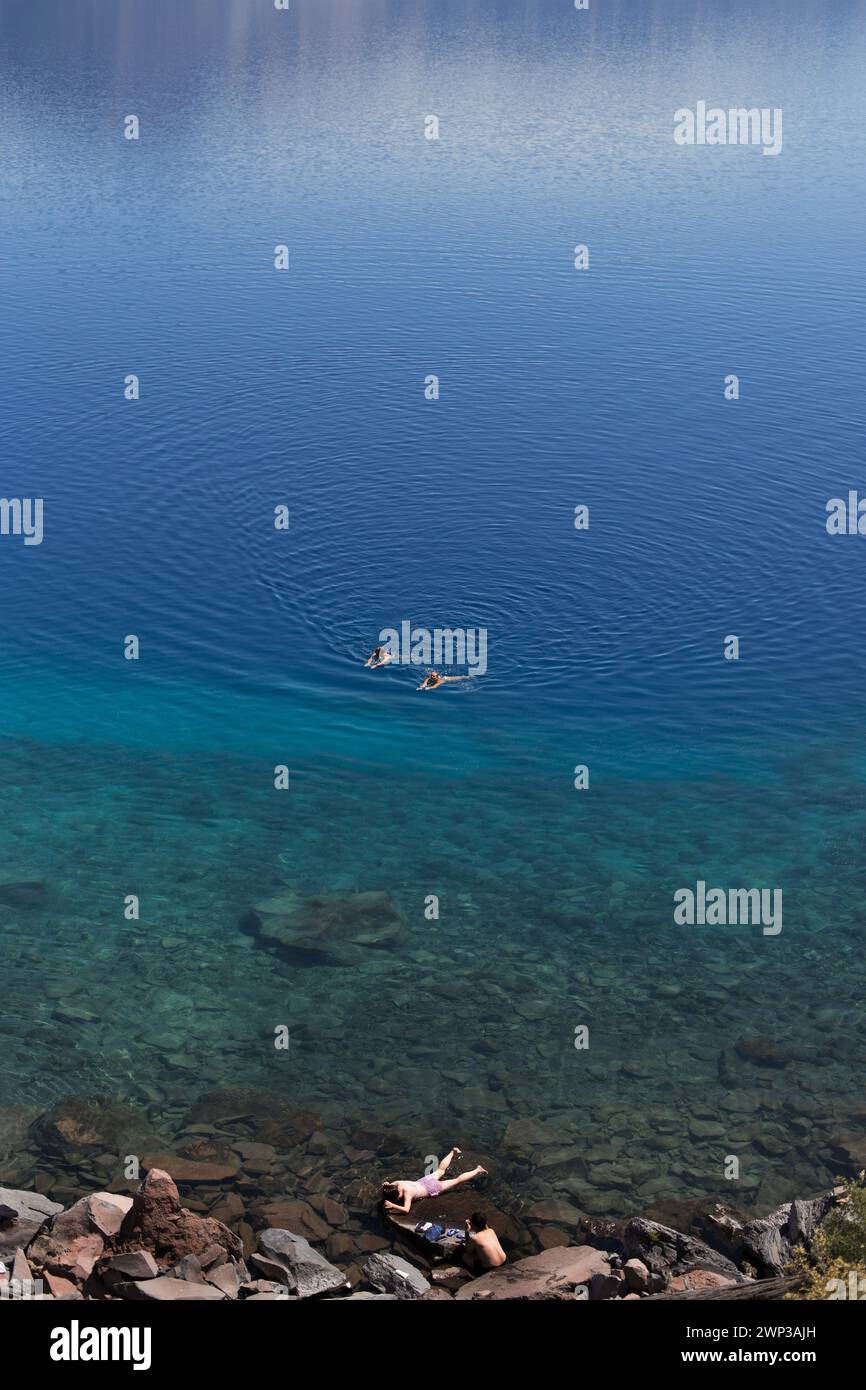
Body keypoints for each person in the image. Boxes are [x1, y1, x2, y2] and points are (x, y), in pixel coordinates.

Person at [381, 1146, 488, 1213]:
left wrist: (392, 1205)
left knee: (457, 1180)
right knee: (440, 1170)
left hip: (432, 1188)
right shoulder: (396, 1183)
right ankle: (452, 1151)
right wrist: (385, 1185)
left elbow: (406, 1210)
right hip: (424, 1181)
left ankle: (478, 1170)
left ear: (399, 1191)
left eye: (398, 1196)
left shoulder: (408, 1194)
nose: (399, 1197)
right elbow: (386, 1186)